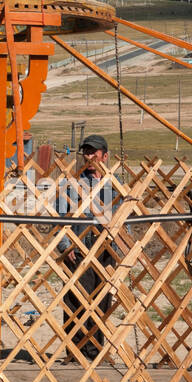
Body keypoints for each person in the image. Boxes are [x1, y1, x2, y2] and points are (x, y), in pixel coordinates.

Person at [58, 134, 119, 362]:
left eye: (94, 152)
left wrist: (121, 249)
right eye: (86, 152)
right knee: (75, 300)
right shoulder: (71, 183)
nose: (90, 156)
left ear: (105, 155)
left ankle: (94, 351)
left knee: (101, 300)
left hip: (105, 249)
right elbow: (59, 218)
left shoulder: (115, 184)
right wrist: (65, 245)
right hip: (78, 247)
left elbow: (124, 219)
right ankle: (74, 352)